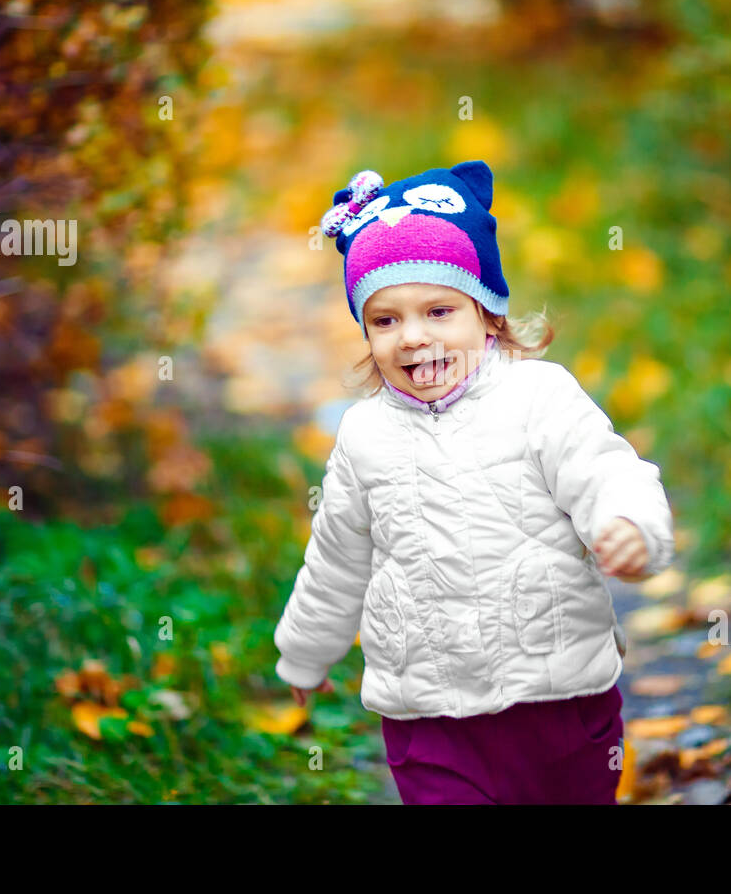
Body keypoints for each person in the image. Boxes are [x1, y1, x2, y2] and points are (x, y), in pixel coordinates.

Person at [273, 160, 675, 804]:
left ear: (487, 315)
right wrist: (304, 651)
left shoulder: (539, 398)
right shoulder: (363, 436)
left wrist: (628, 526)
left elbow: (607, 472)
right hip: (426, 716)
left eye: (438, 309)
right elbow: (336, 557)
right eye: (385, 320)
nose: (413, 337)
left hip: (559, 699)